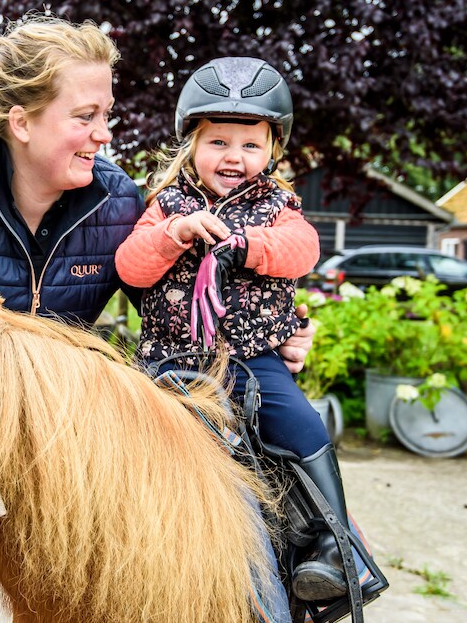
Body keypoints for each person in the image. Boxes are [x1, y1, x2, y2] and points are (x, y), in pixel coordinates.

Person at [0, 18, 315, 620]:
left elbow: (167, 300)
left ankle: (316, 566)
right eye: (85, 116)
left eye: (106, 115)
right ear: (21, 122)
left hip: (51, 432)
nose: (104, 134)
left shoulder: (116, 201)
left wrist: (274, 333)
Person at [114, 56, 353, 602]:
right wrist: (175, 233)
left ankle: (334, 549)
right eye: (218, 142)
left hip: (252, 359)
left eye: (250, 145)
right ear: (191, 147)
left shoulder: (278, 207)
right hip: (171, 360)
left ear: (272, 151)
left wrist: (250, 247)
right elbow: (130, 267)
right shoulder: (165, 207)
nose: (234, 157)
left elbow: (304, 251)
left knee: (304, 426)